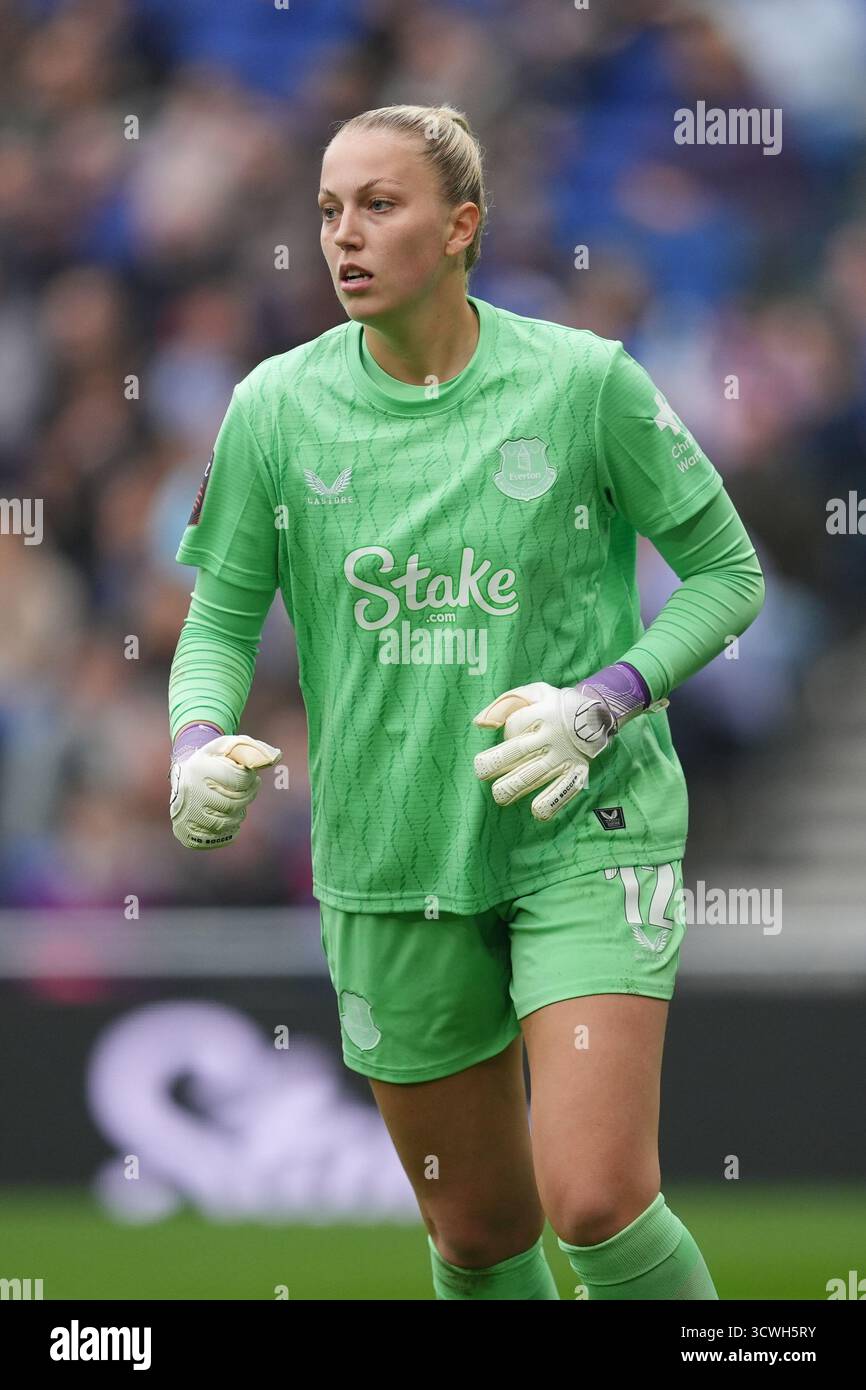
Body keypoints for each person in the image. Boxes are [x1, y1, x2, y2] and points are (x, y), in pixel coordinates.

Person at [167, 103, 765, 1300]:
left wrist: (606, 697)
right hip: (390, 854)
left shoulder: (584, 382)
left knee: (593, 1199)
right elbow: (221, 622)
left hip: (583, 828)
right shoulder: (272, 412)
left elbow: (727, 575)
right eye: (329, 209)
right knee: (481, 1236)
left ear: (460, 227)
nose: (344, 234)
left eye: (379, 206)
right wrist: (190, 744)